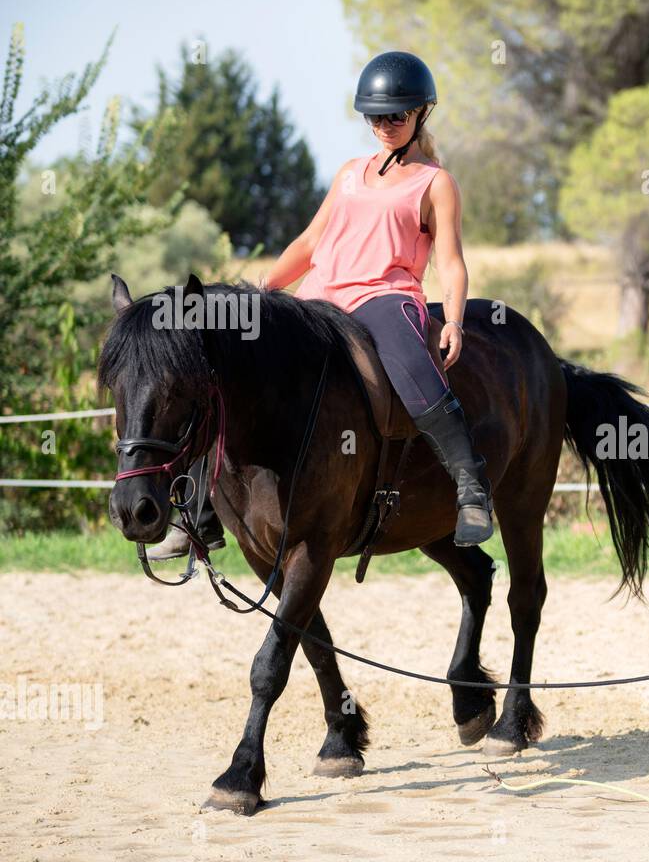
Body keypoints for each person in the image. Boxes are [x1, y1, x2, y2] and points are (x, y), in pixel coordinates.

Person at [148, 51, 493, 560]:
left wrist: (457, 321)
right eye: (375, 116)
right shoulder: (350, 173)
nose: (384, 125)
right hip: (319, 296)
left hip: (383, 298)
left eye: (396, 115)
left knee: (415, 372)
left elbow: (452, 262)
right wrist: (261, 294)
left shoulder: (434, 182)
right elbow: (311, 244)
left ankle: (471, 489)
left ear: (422, 112)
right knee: (228, 375)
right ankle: (200, 514)